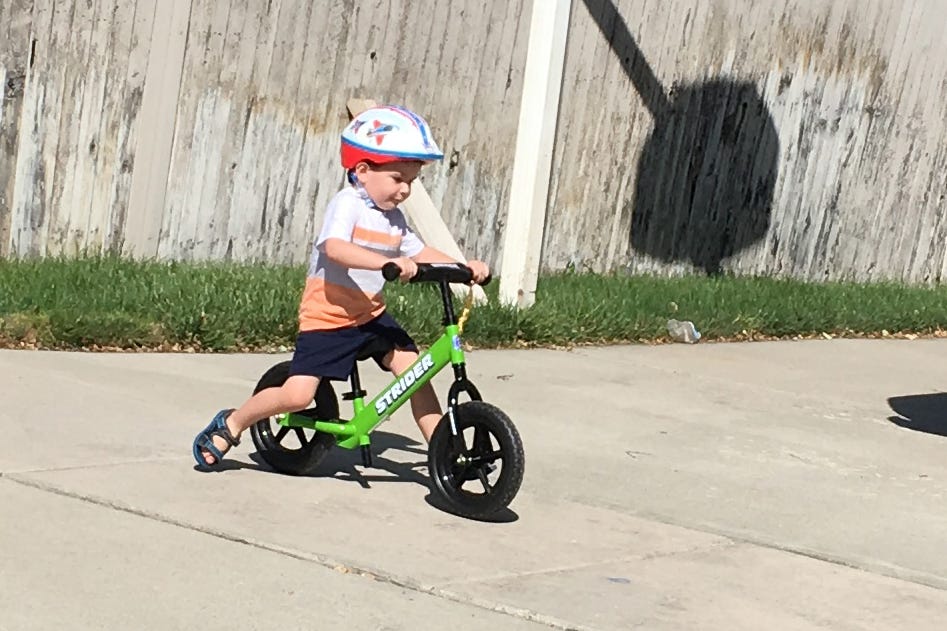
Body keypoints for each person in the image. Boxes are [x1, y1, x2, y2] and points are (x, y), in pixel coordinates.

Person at [192, 105, 489, 467]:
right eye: (398, 178)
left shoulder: (393, 219)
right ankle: (234, 421)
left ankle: (446, 454)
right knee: (298, 396)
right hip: (328, 315)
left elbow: (421, 250)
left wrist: (463, 267)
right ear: (363, 171)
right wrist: (386, 263)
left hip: (369, 314)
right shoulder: (347, 204)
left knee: (416, 374)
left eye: (412, 181)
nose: (406, 190)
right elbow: (335, 247)